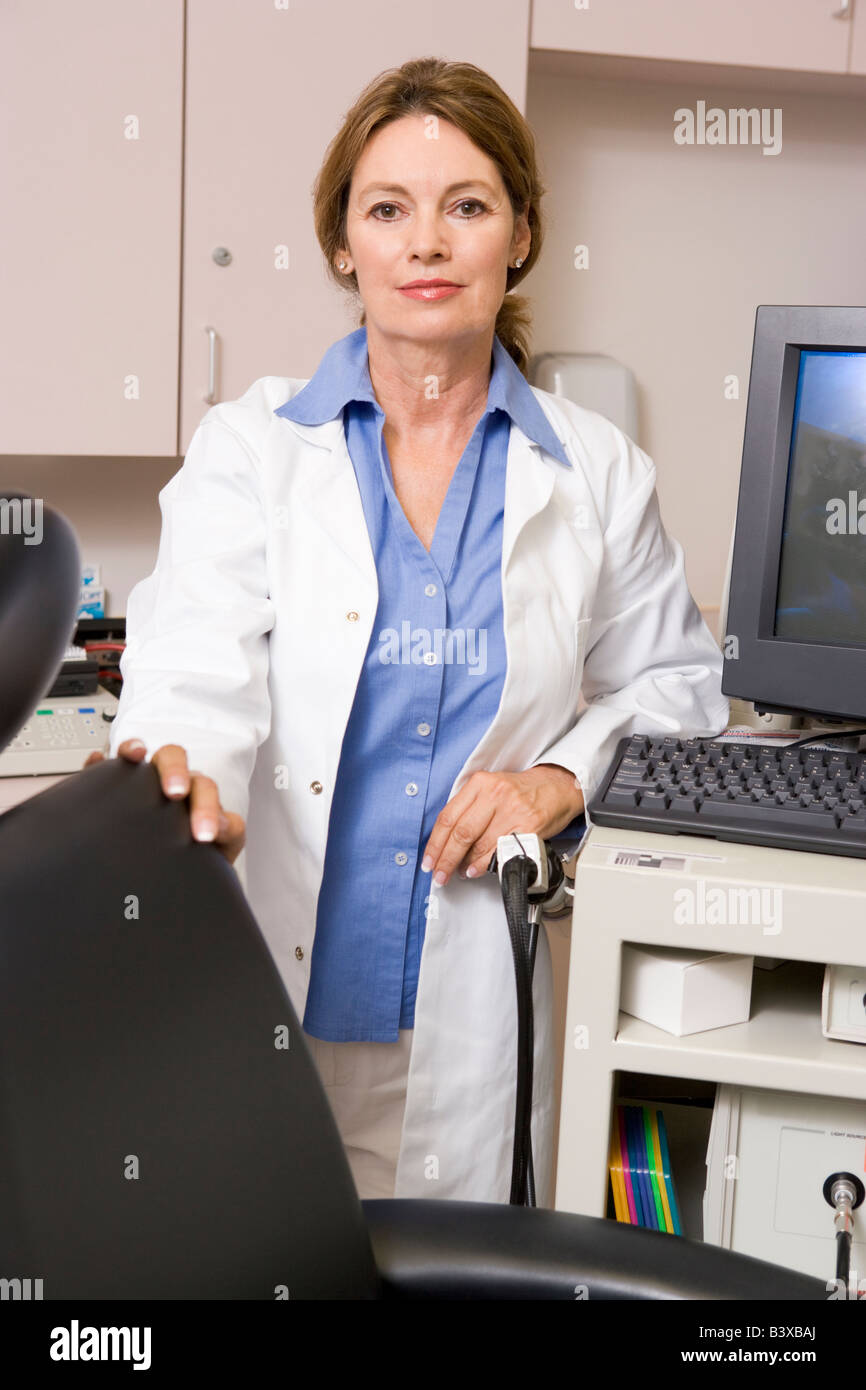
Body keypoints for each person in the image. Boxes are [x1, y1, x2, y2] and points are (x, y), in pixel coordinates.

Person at [91, 56, 729, 1205]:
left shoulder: (593, 472)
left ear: (520, 236)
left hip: (469, 1014)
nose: (424, 244)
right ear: (344, 244)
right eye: (387, 210)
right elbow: (194, 672)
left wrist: (553, 778)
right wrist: (193, 787)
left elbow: (679, 689)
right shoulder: (251, 450)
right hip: (271, 991)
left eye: (465, 207)